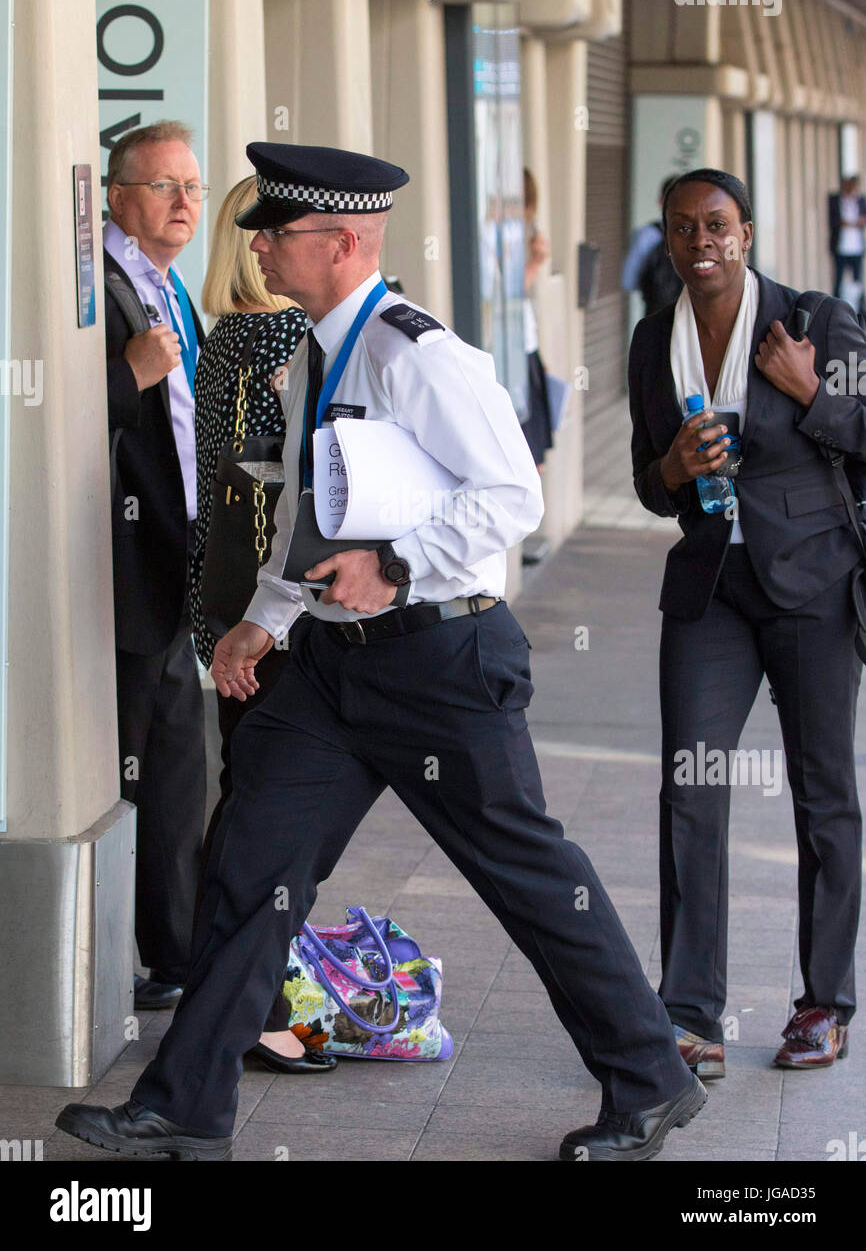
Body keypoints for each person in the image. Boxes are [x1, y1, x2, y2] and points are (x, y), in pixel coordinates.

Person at [58, 142, 702, 1163]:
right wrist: (263, 617)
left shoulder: (417, 353)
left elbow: (510, 495)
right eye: (261, 228)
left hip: (439, 662)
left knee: (529, 877)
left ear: (344, 242)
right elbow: (312, 519)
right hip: (327, 667)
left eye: (279, 231)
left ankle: (649, 1078)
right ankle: (185, 1103)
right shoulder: (314, 348)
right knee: (249, 866)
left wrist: (397, 566)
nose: (259, 243)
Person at [629, 167, 865, 1082]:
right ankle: (690, 1013)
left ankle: (824, 1004)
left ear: (748, 232)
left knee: (825, 795)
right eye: (684, 228)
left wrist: (812, 393)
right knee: (690, 791)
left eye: (718, 224)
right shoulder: (655, 340)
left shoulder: (814, 321)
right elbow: (651, 486)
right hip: (711, 590)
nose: (702, 242)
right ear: (670, 238)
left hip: (812, 585)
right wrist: (677, 468)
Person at [191, 177, 328, 1073]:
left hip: (225, 590)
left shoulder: (221, 338)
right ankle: (257, 1002)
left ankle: (237, 990)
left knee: (249, 794)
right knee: (270, 810)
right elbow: (287, 472)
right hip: (270, 600)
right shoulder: (282, 332)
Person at [103, 120, 209, 1010]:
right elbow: (39, 414)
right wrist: (125, 376)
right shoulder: (98, 285)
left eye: (193, 187)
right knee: (131, 766)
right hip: (121, 569)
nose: (185, 203)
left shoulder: (169, 286)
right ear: (119, 196)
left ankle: (178, 958)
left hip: (177, 563)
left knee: (177, 765)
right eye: (166, 185)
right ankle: (125, 959)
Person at [520, 168, 553, 471]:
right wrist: (534, 264)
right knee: (528, 457)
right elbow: (501, 298)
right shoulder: (491, 234)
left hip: (525, 349)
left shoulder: (515, 233)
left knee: (534, 457)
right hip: (508, 353)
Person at [622, 176, 682, 318]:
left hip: (656, 318)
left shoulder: (647, 235)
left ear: (660, 202)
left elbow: (628, 281)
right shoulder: (701, 237)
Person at [828, 175, 866, 307]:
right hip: (840, 247)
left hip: (856, 247)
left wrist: (852, 222)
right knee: (838, 281)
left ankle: (860, 310)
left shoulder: (860, 200)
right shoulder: (835, 199)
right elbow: (834, 221)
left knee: (857, 281)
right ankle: (835, 307)